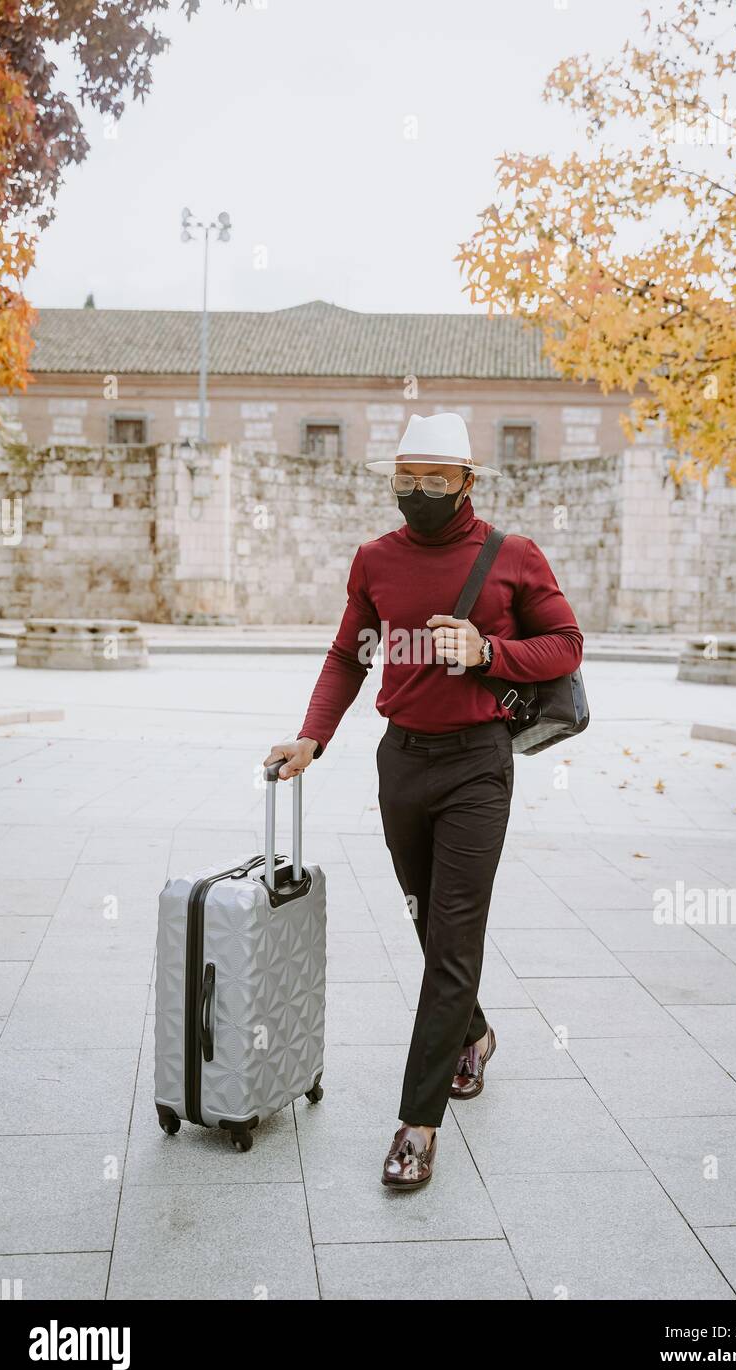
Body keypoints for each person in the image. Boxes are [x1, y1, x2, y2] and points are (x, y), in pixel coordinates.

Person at [265, 411, 583, 1189]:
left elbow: (566, 644)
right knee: (425, 917)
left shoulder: (511, 557)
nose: (416, 494)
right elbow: (350, 653)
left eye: (433, 482)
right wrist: (313, 737)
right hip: (400, 762)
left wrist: (489, 651)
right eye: (404, 480)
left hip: (478, 765)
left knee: (454, 935)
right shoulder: (376, 560)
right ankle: (472, 1031)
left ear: (467, 482)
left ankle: (418, 1123)